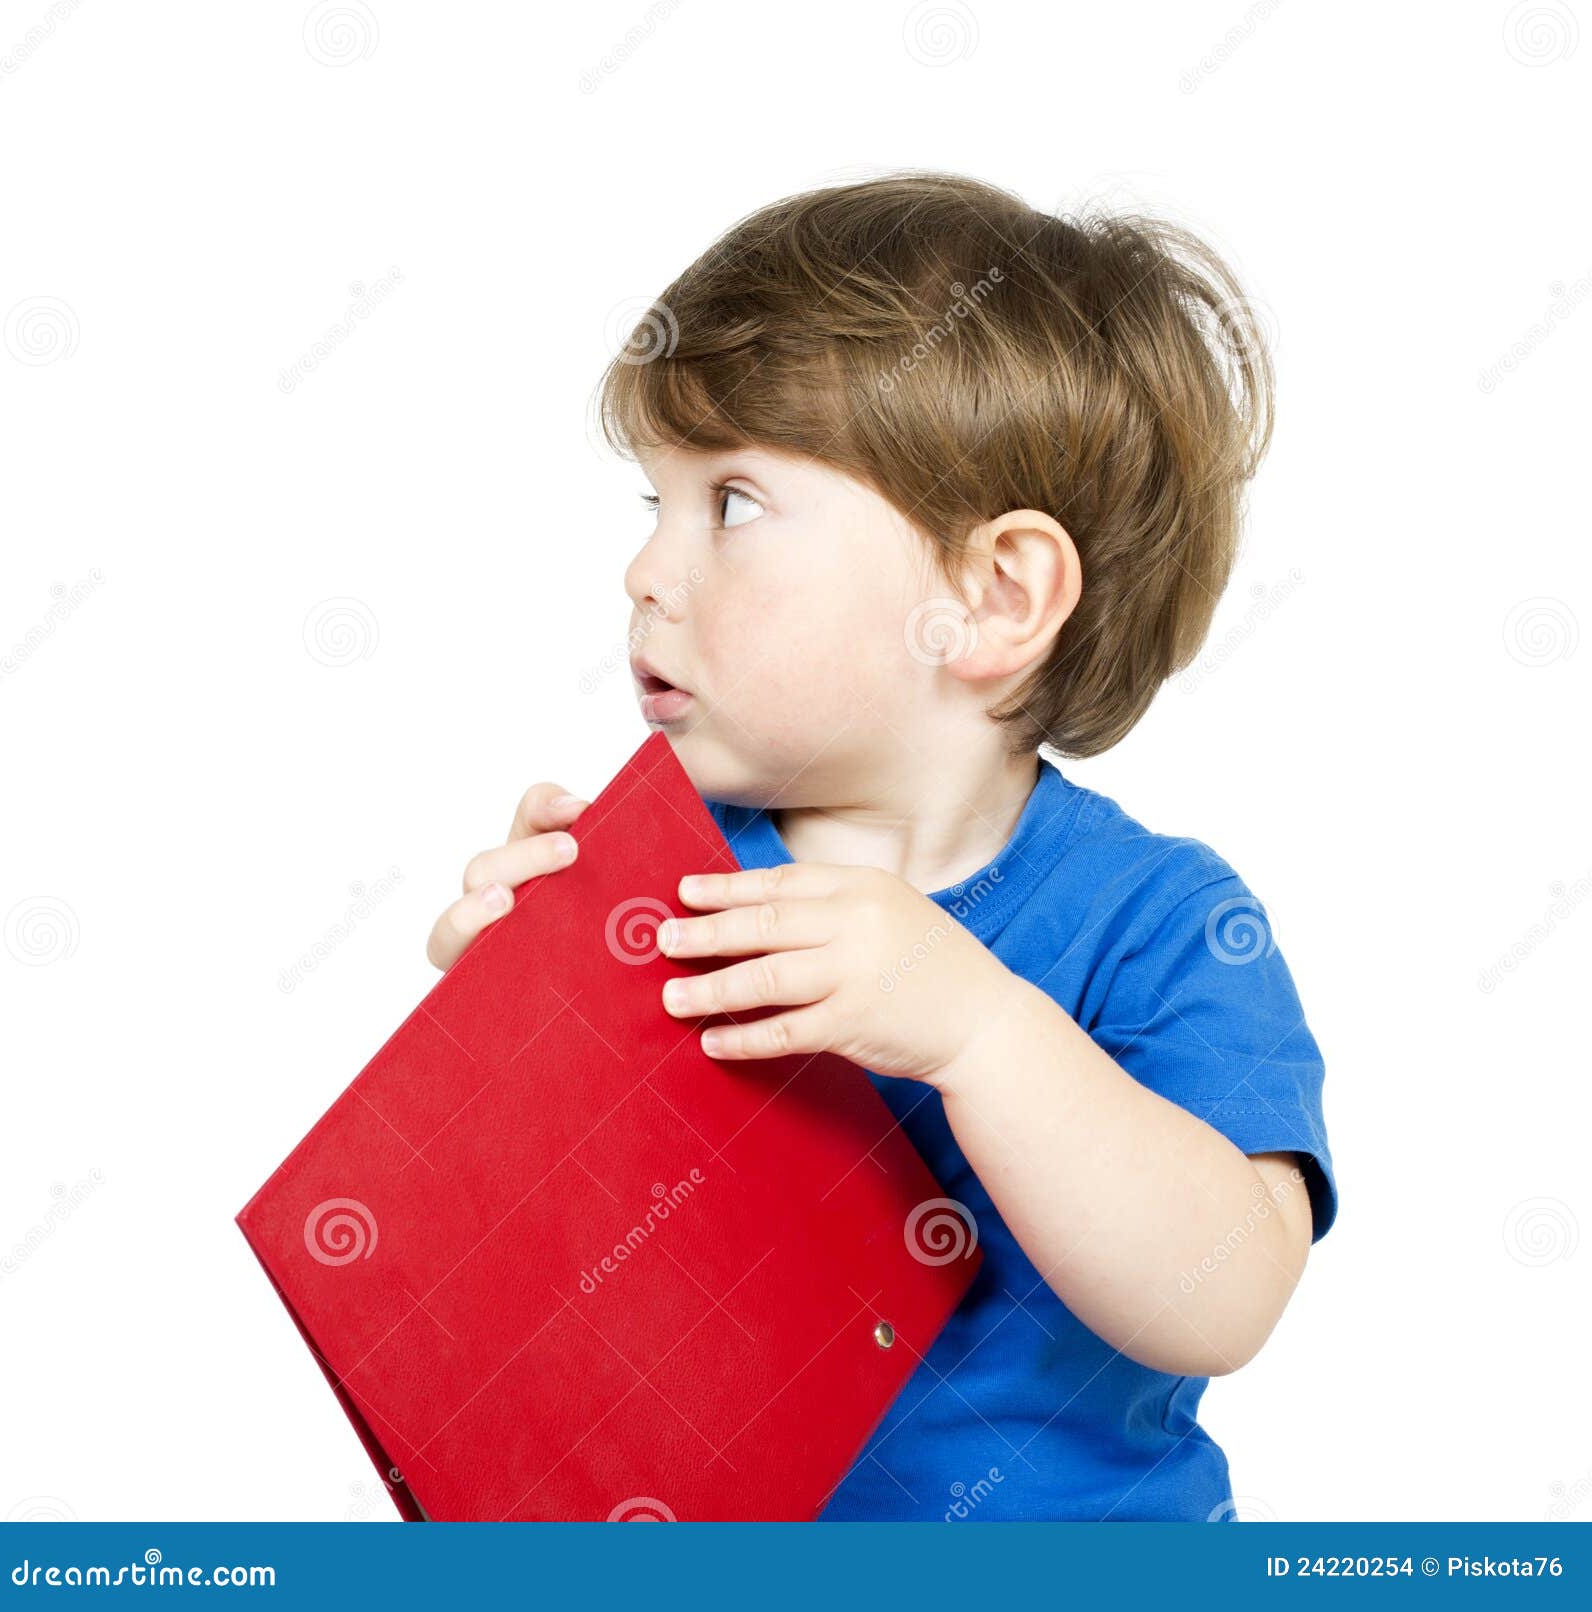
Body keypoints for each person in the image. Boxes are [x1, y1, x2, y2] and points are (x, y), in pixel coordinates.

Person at [426, 171, 1338, 1522]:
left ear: (992, 596)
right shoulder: (663, 887)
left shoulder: (1162, 919)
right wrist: (503, 1023)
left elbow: (1229, 1296)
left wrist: (978, 1033)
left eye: (730, 504)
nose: (647, 573)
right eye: (651, 505)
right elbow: (534, 1288)